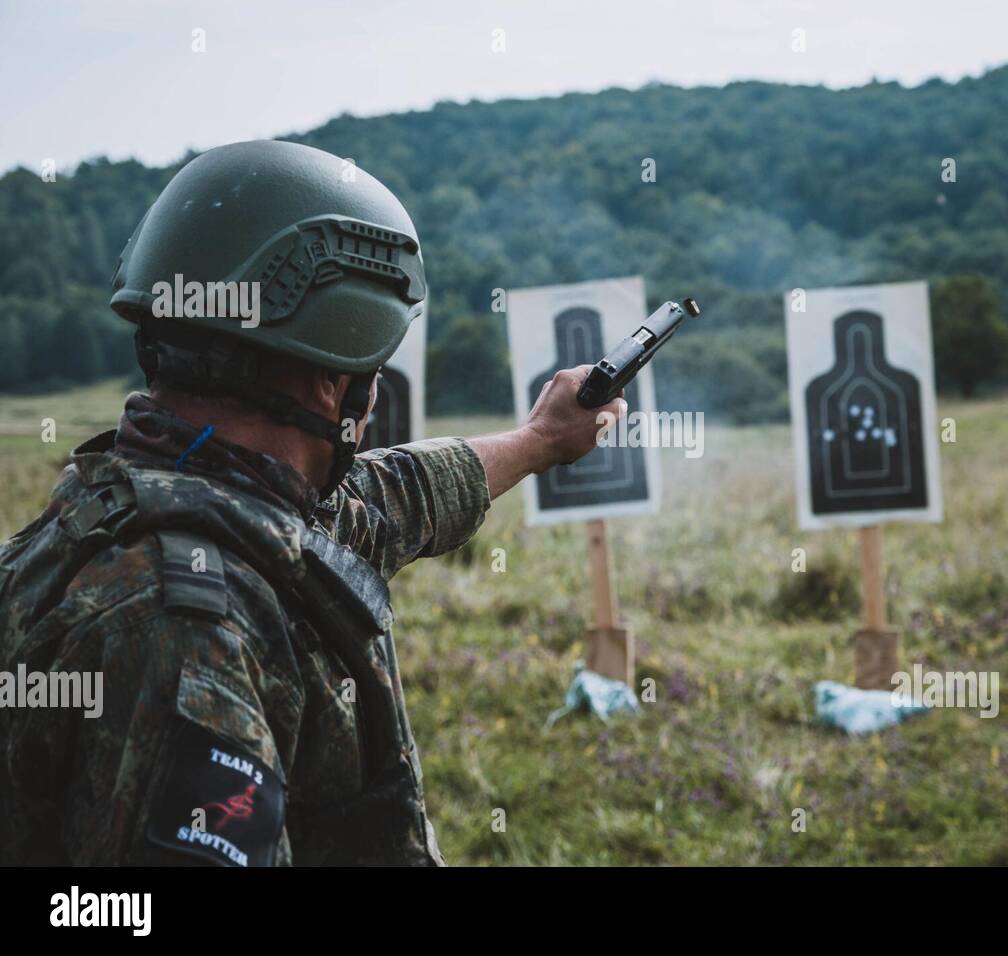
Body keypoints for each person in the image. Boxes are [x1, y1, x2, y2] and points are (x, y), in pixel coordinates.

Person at [0, 140, 624, 866]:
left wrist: (543, 438)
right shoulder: (191, 628)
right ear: (335, 383)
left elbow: (396, 497)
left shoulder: (143, 507)